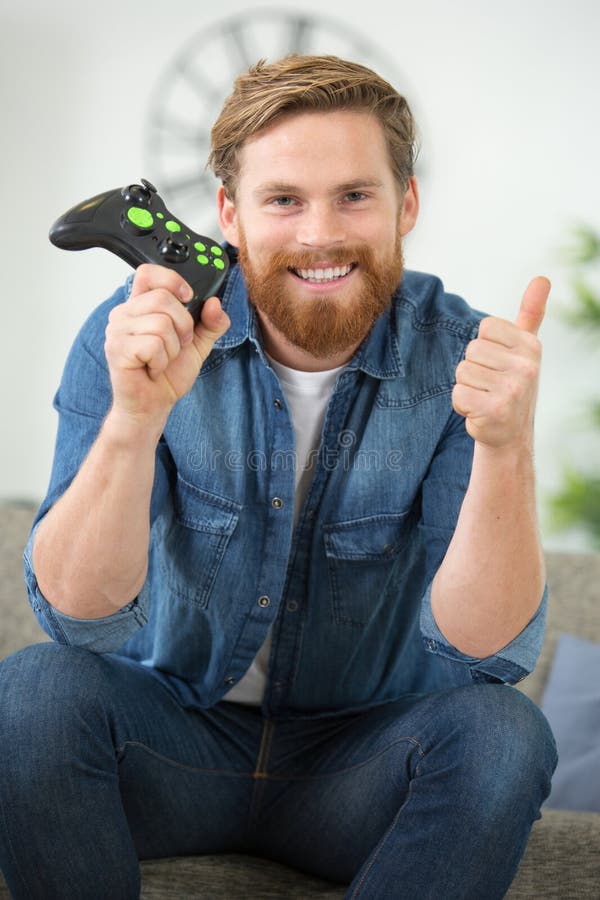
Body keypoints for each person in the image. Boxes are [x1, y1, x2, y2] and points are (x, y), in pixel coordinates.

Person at [0, 55, 557, 899]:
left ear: (407, 203)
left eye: (355, 196)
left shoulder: (466, 361)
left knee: (504, 730)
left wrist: (507, 447)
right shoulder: (134, 333)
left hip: (357, 768)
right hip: (169, 742)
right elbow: (80, 621)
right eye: (284, 199)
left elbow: (486, 656)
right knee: (33, 689)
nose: (319, 233)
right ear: (230, 213)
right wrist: (135, 420)